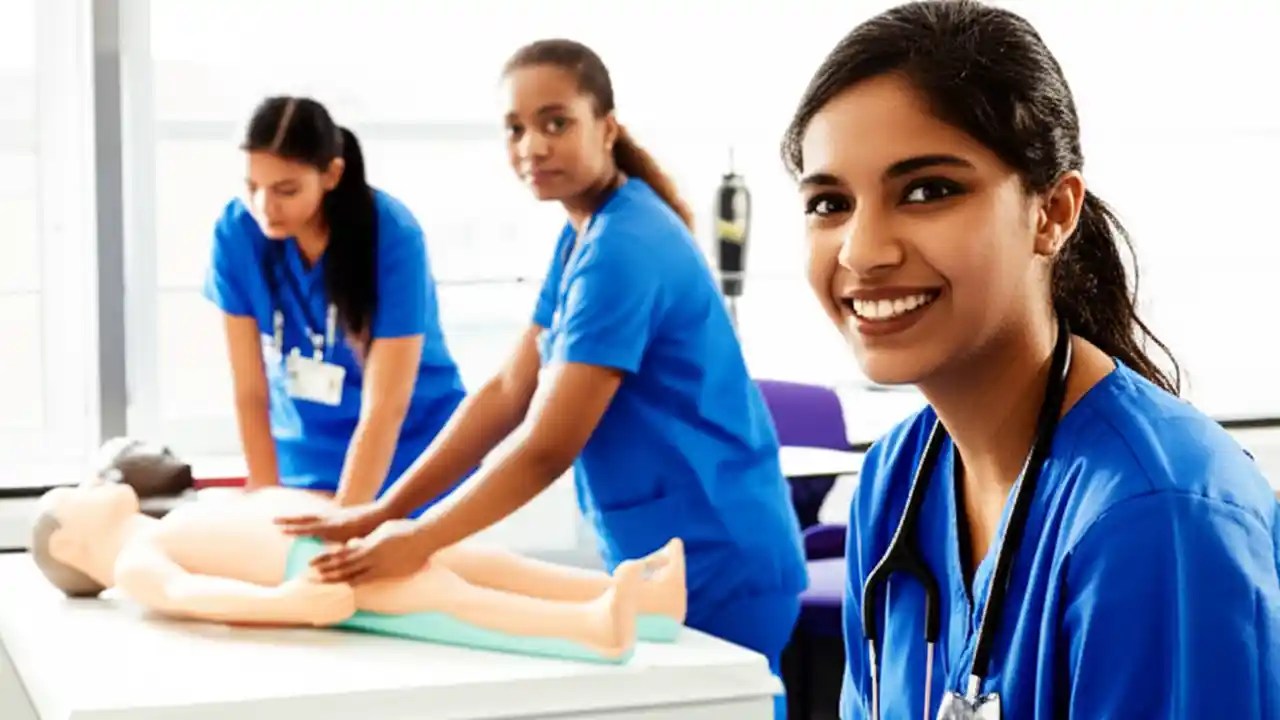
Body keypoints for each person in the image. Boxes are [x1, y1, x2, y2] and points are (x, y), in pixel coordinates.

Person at [276, 39, 808, 717]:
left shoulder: (625, 247)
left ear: (606, 127)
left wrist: (420, 538)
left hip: (718, 558)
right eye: (516, 128)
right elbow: (505, 393)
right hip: (667, 553)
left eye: (556, 122)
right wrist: (383, 511)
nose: (533, 144)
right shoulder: (585, 233)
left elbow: (546, 444)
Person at [781, 2, 1280, 718]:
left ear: (1051, 213)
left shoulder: (1158, 516)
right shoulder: (892, 486)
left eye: (928, 191)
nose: (862, 250)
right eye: (829, 202)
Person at [31, 476, 688, 663]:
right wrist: (293, 600)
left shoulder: (166, 520)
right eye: (72, 498)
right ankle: (591, 624)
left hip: (335, 542)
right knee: (446, 593)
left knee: (473, 558)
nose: (86, 486)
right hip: (319, 571)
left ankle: (635, 599)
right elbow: (194, 594)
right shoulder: (137, 561)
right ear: (71, 549)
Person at [203, 96, 468, 514]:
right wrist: (268, 505)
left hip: (411, 451)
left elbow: (387, 405)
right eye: (252, 187)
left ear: (331, 174)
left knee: (402, 575)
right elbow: (250, 392)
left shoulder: (392, 235)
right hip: (305, 454)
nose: (264, 208)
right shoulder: (236, 232)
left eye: (286, 190)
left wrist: (348, 519)